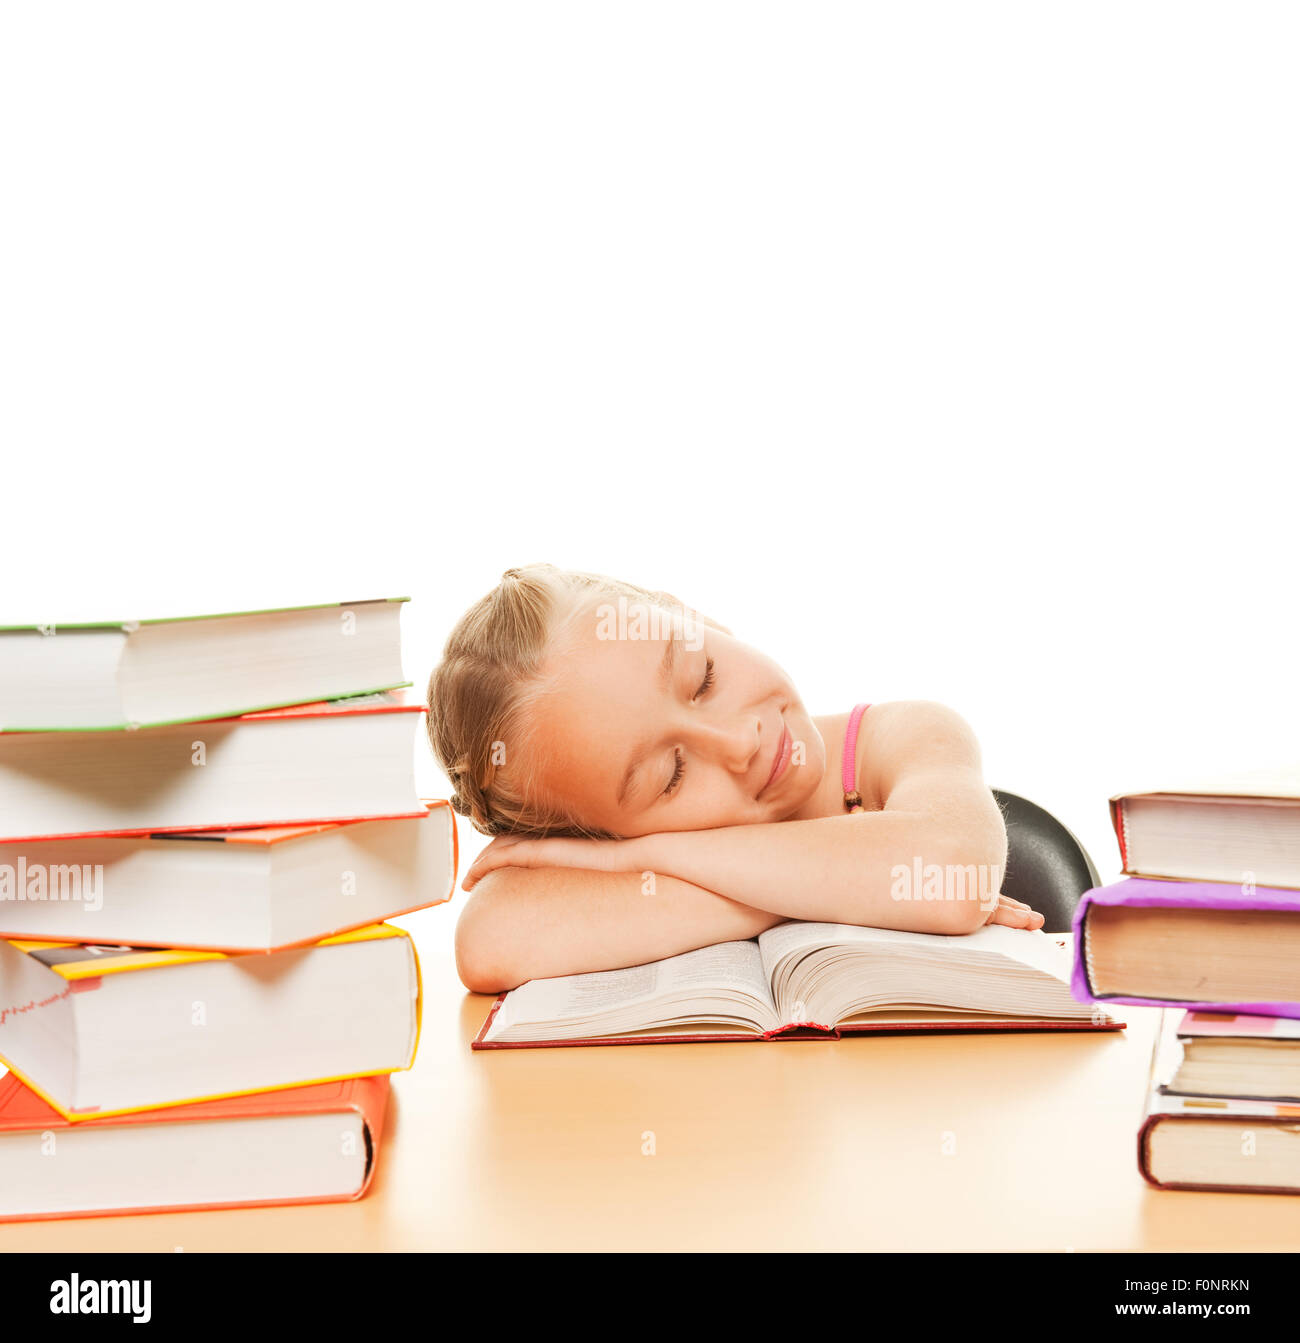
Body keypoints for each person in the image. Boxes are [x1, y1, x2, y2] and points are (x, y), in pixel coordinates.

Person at [428, 564, 1041, 993]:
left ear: (697, 617)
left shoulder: (900, 737)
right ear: (600, 837)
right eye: (668, 776)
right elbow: (488, 941)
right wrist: (854, 886)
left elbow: (956, 874)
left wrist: (647, 856)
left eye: (704, 678)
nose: (738, 742)